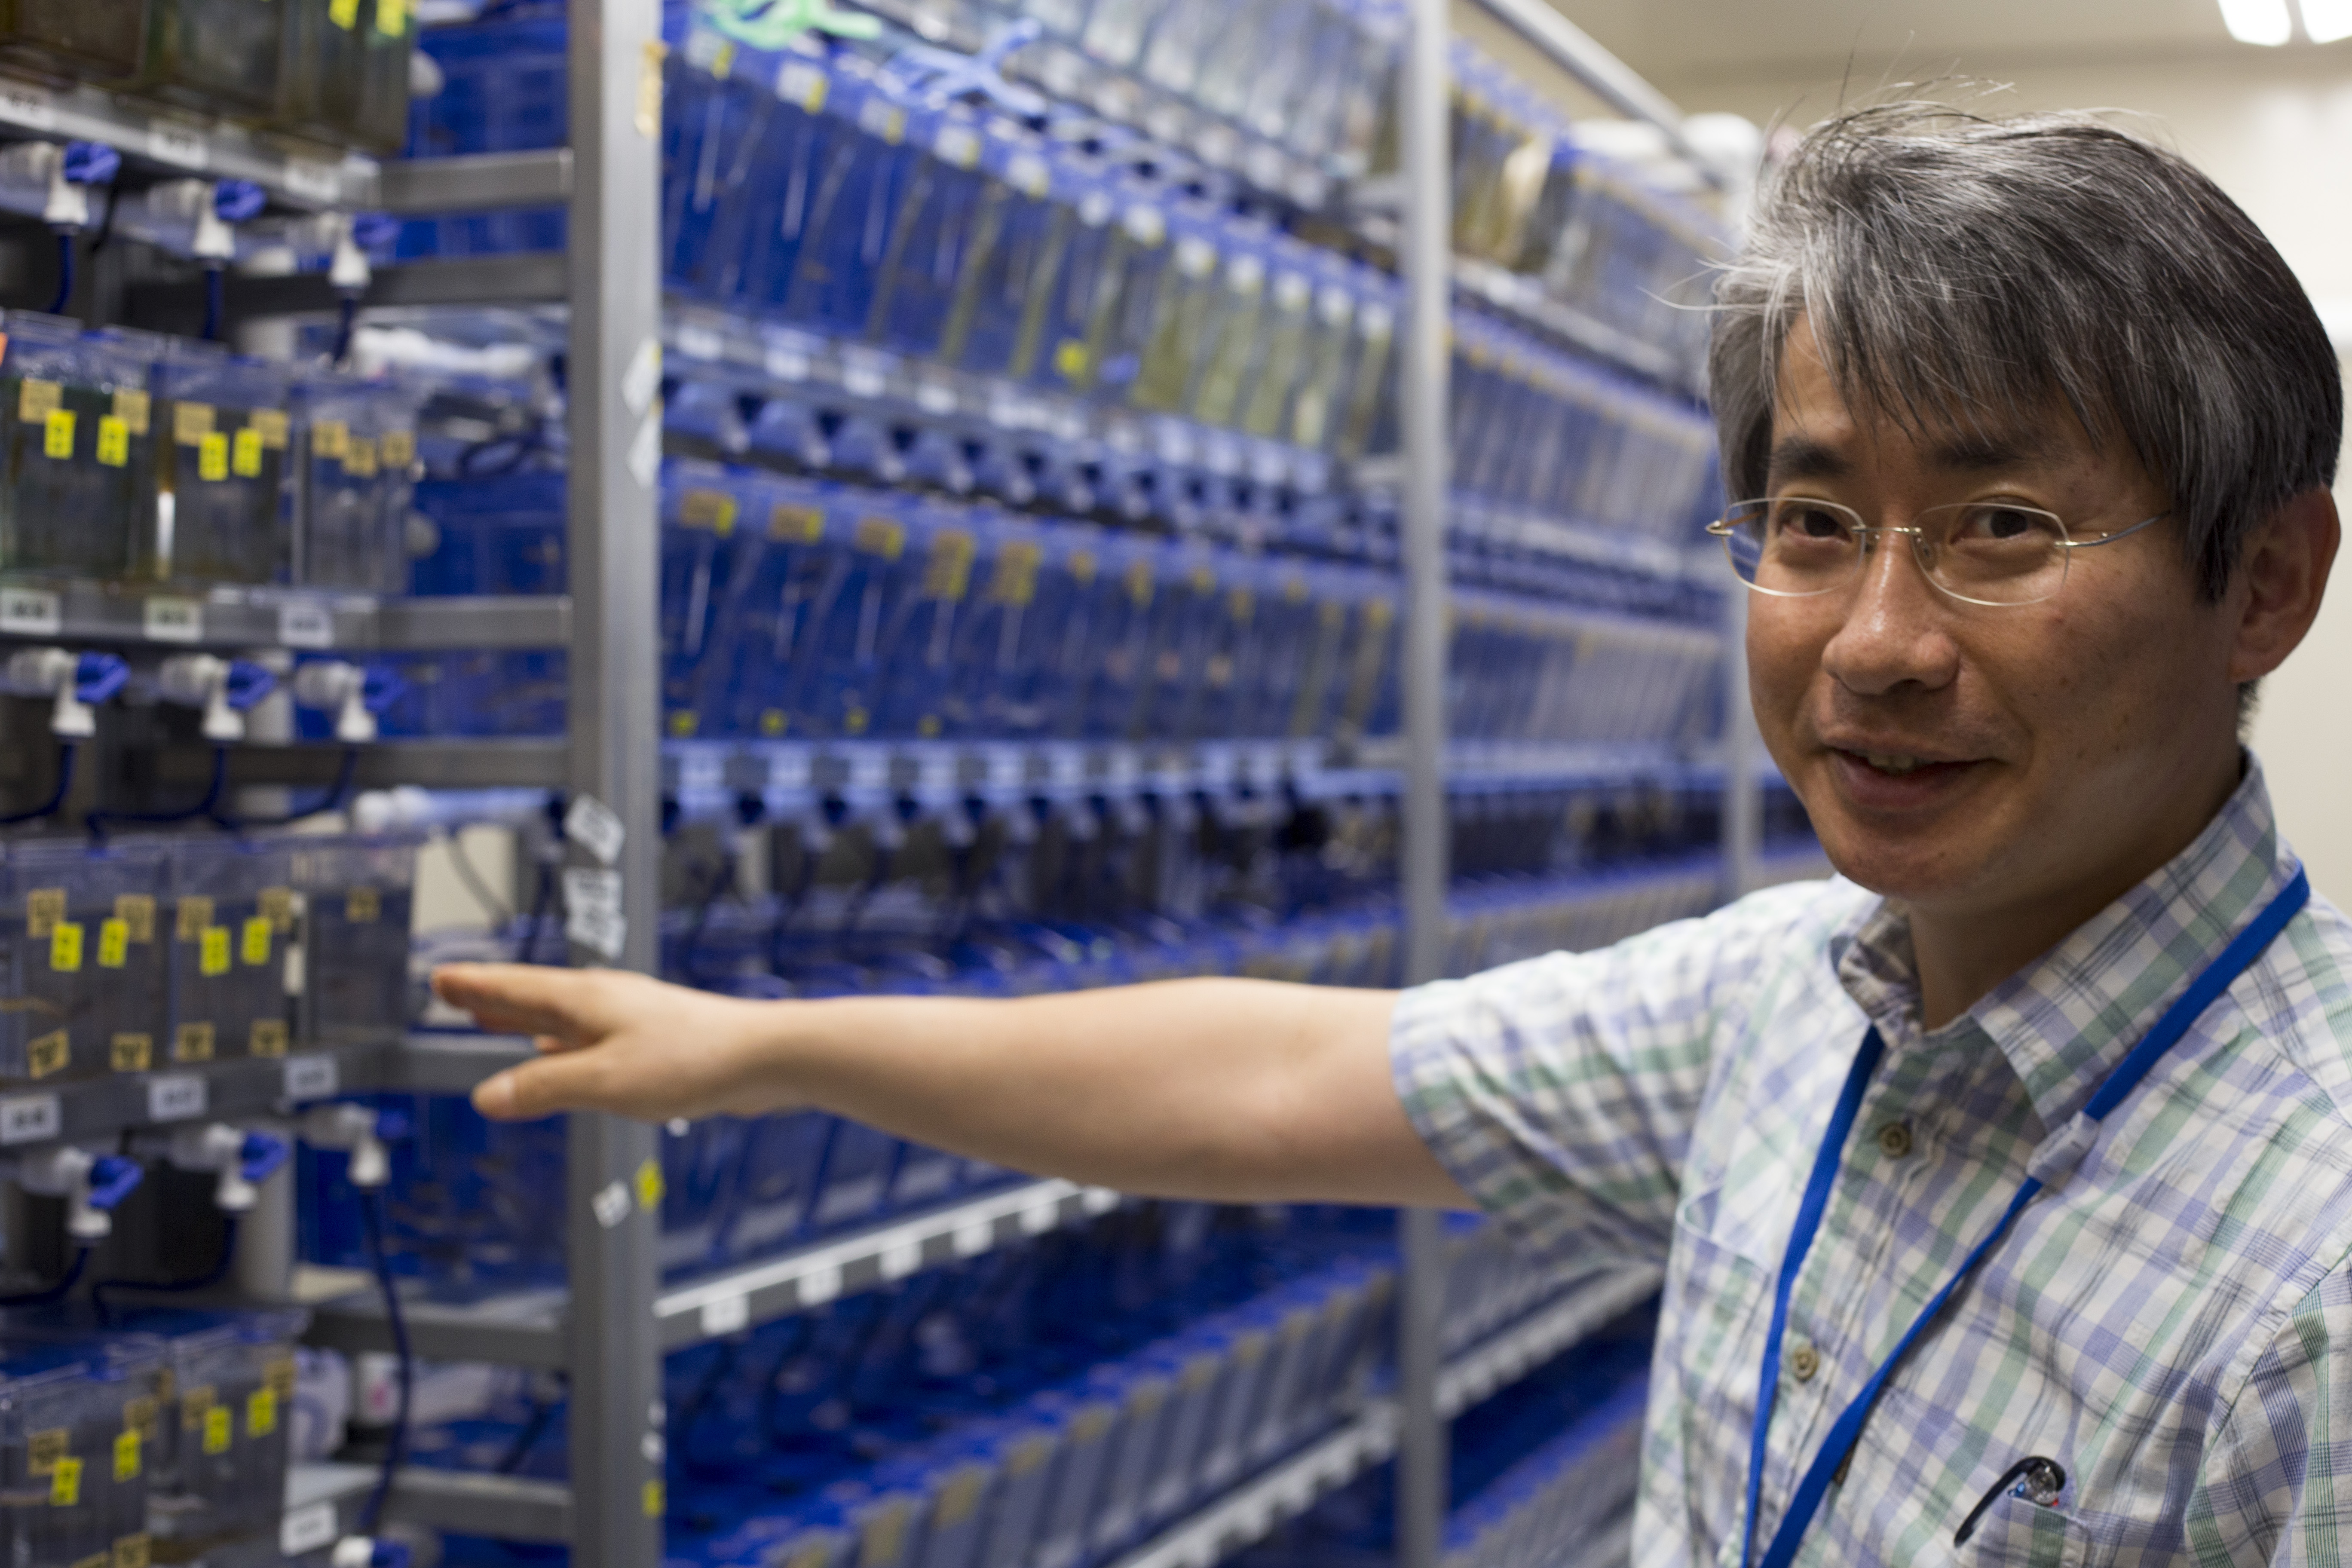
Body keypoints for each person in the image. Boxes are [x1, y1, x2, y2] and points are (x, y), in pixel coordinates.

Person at [434, 102, 2349, 1565]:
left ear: (2263, 585)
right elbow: (1272, 1082)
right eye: (1813, 524)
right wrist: (757, 1045)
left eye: (2003, 528)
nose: (1875, 643)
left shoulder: (2313, 1281)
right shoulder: (1791, 1015)